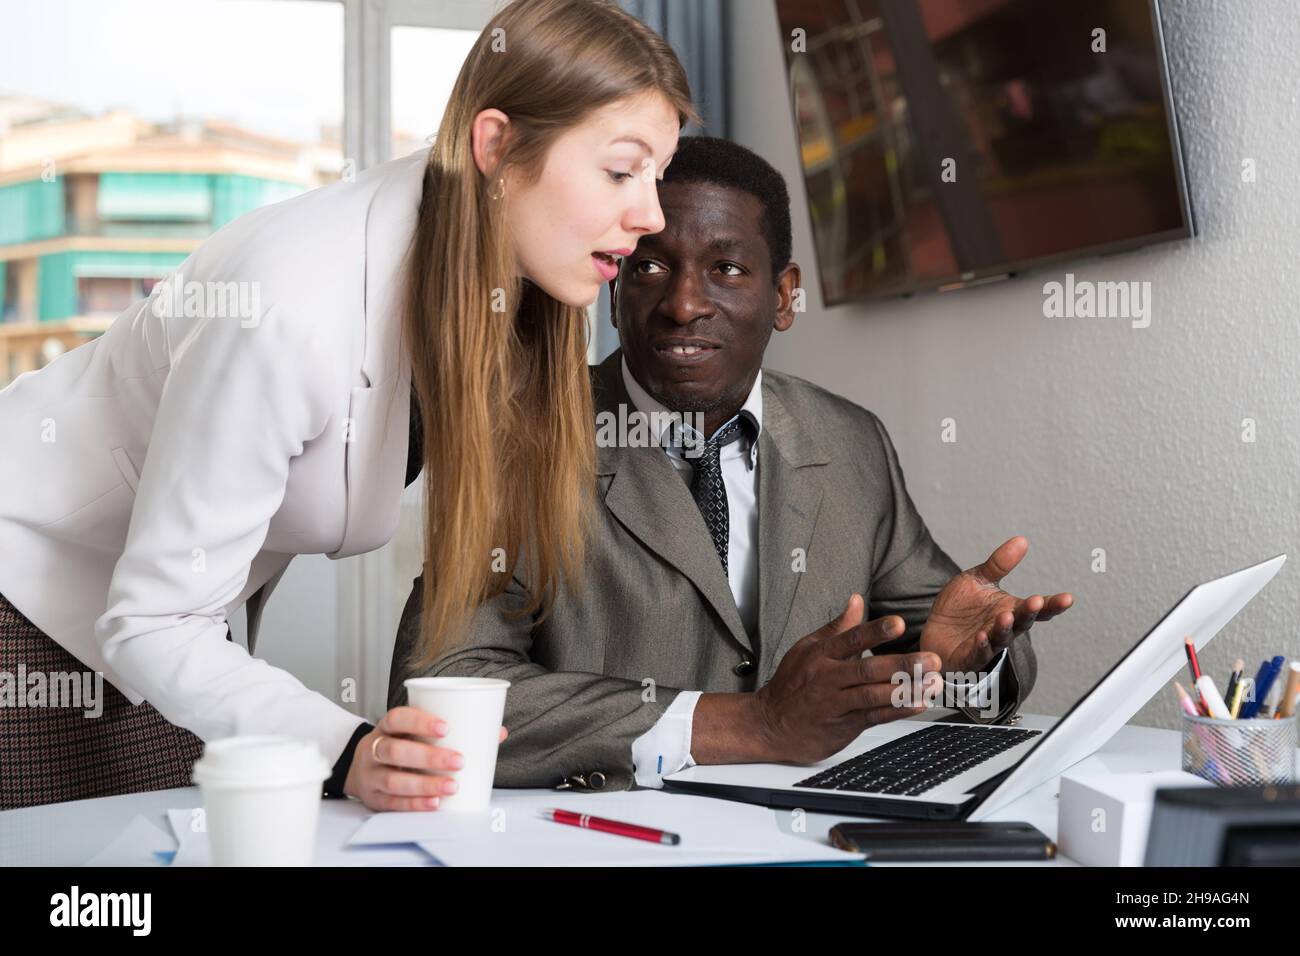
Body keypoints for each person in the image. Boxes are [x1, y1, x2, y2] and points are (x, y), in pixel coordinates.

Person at [0, 0, 695, 811]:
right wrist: (349, 749)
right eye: (621, 170)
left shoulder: (503, 285)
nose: (650, 216)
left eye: (657, 175)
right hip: (32, 597)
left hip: (168, 625)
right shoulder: (289, 304)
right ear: (497, 146)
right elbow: (156, 619)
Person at [388, 136, 1074, 791]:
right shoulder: (518, 439)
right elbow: (442, 687)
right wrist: (748, 725)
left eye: (727, 269)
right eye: (650, 266)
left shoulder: (848, 440)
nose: (684, 305)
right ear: (614, 287)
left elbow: (951, 638)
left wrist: (967, 668)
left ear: (782, 297)